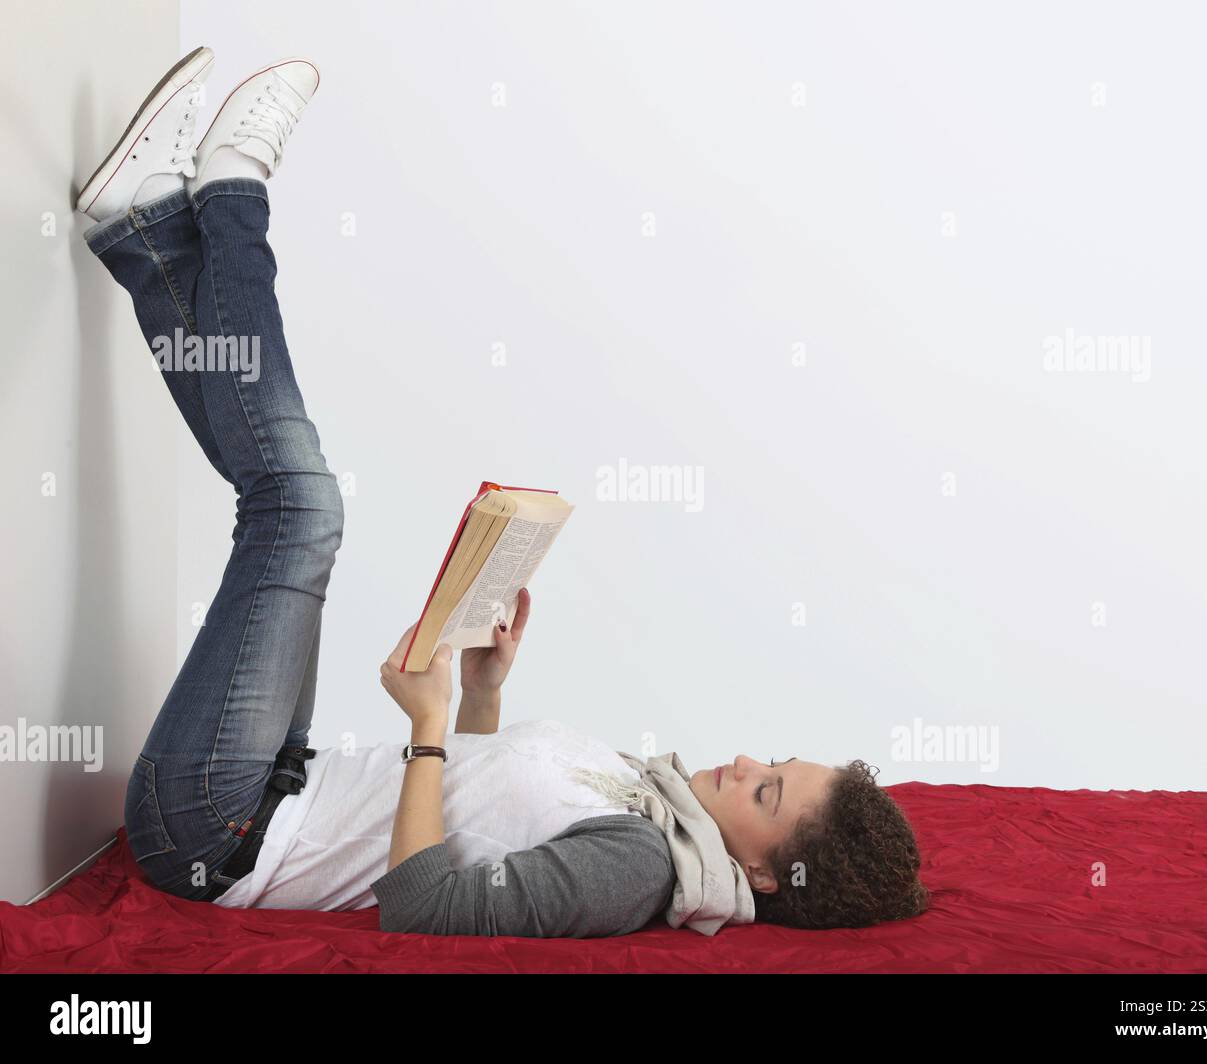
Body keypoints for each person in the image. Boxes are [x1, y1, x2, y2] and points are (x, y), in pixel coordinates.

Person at [81, 47, 928, 938]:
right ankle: (146, 229)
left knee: (299, 509)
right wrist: (484, 694)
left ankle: (233, 194)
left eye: (768, 789)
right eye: (778, 759)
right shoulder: (664, 810)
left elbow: (426, 907)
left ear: (764, 870)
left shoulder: (640, 870)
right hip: (278, 781)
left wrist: (428, 725)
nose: (747, 761)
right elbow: (486, 816)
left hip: (217, 834)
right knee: (287, 504)